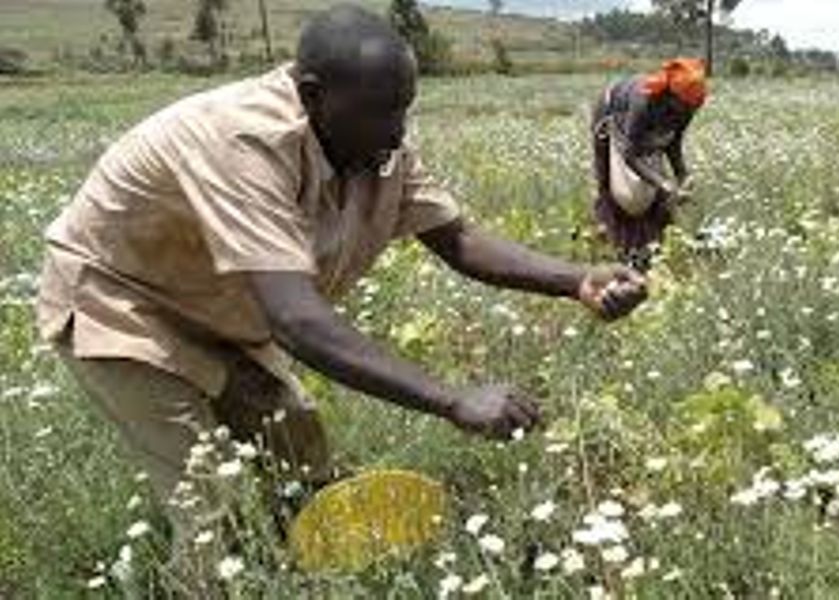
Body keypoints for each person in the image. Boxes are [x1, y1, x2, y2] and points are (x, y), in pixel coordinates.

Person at [34, 3, 646, 581]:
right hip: (121, 304)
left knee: (299, 445)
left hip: (215, 307)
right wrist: (452, 399)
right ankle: (210, 583)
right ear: (311, 96)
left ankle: (309, 567)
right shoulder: (244, 141)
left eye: (404, 107)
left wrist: (577, 279)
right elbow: (297, 322)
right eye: (379, 111)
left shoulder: (379, 149)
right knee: (207, 504)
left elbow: (457, 239)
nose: (397, 129)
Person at [591, 58, 707, 270]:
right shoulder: (643, 102)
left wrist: (682, 175)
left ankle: (652, 246)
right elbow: (630, 154)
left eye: (692, 108)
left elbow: (673, 144)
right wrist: (663, 183)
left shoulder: (686, 107)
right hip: (611, 112)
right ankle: (612, 243)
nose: (687, 112)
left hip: (644, 128)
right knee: (611, 184)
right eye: (685, 107)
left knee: (653, 193)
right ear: (670, 96)